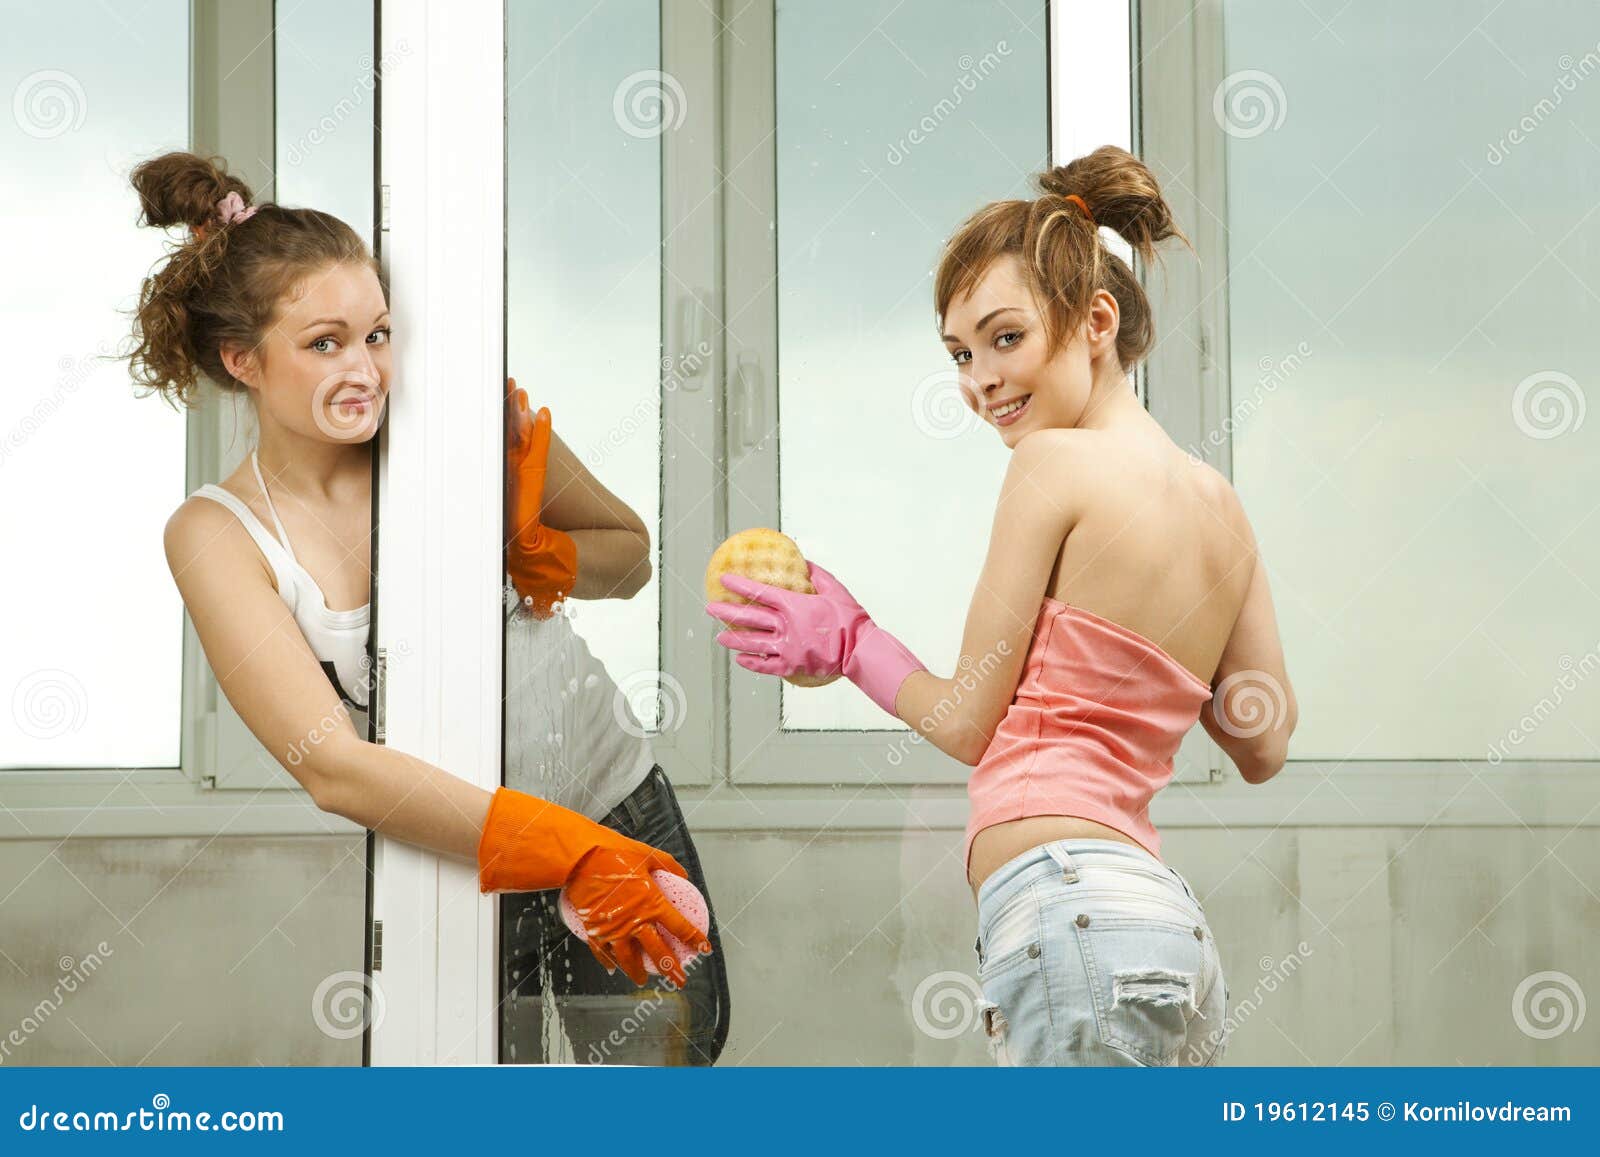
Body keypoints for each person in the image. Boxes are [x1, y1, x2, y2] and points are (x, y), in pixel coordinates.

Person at [127, 151, 725, 1061]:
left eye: (377, 333)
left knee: (666, 1084)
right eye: (323, 343)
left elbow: (632, 559)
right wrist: (562, 851)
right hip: (459, 857)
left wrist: (541, 552)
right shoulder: (219, 534)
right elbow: (331, 767)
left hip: (617, 806)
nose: (365, 367)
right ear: (242, 359)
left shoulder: (460, 426)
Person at [707, 145, 1295, 1066]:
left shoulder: (1051, 466)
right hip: (1163, 924)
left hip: (1073, 909)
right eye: (959, 353)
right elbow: (1263, 742)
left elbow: (968, 718)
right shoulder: (1221, 505)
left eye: (1005, 336)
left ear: (1097, 319)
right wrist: (1152, 662)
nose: (980, 377)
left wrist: (852, 640)